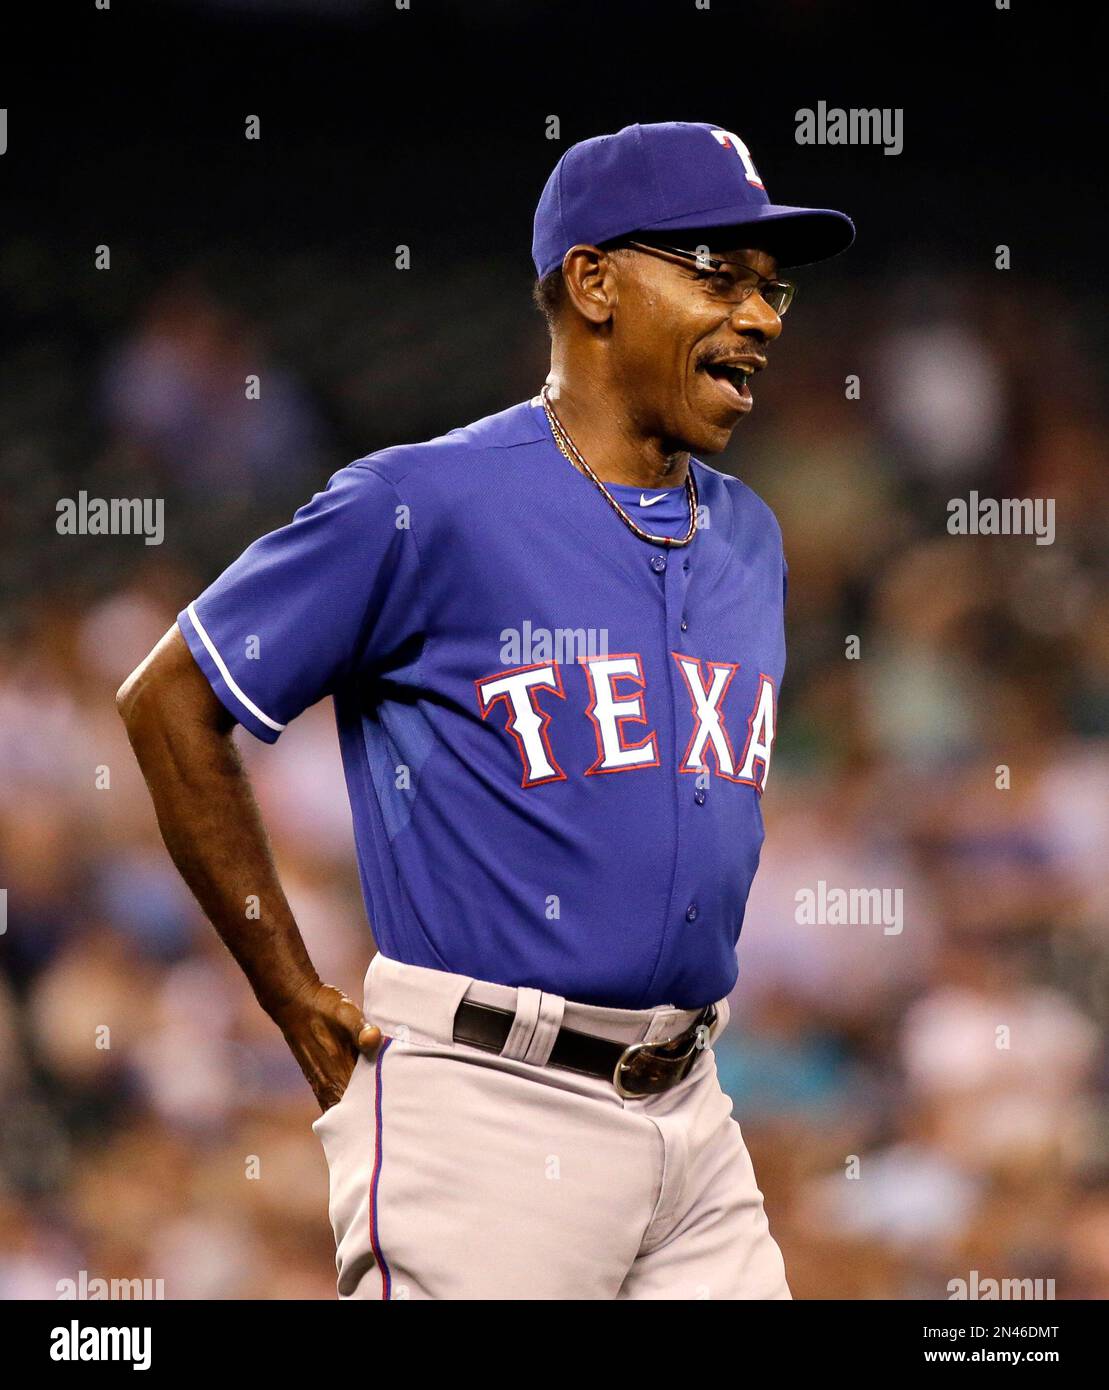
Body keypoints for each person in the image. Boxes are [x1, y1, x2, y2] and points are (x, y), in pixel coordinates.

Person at [117, 121, 854, 1300]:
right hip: (487, 1104)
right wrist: (289, 988)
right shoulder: (423, 503)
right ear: (594, 281)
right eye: (716, 274)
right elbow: (169, 699)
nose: (760, 316)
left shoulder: (751, 538)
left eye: (771, 288)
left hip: (694, 1107)